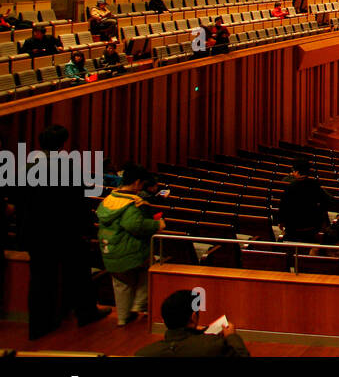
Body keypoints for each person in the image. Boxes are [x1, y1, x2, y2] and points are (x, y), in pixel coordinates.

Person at [12, 125, 110, 338]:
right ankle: (85, 313)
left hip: (36, 234)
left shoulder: (25, 168)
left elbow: (18, 202)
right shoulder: (67, 167)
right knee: (78, 273)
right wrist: (86, 229)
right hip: (65, 232)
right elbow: (78, 203)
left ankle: (39, 326)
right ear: (62, 144)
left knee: (40, 279)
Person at [96, 163, 165, 326]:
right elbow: (135, 225)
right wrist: (157, 225)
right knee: (149, 272)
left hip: (109, 251)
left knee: (121, 285)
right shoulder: (132, 203)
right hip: (130, 253)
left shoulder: (109, 199)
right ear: (136, 183)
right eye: (141, 184)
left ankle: (122, 317)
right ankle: (137, 306)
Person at [135, 288, 250, 357]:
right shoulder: (214, 346)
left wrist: (195, 333)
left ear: (164, 320)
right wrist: (231, 337)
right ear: (193, 317)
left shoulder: (143, 354)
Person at [275, 158, 334, 244]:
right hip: (312, 227)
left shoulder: (290, 187)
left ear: (297, 172)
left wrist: (281, 222)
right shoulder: (314, 185)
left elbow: (283, 207)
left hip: (293, 229)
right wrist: (319, 214)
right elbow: (327, 201)